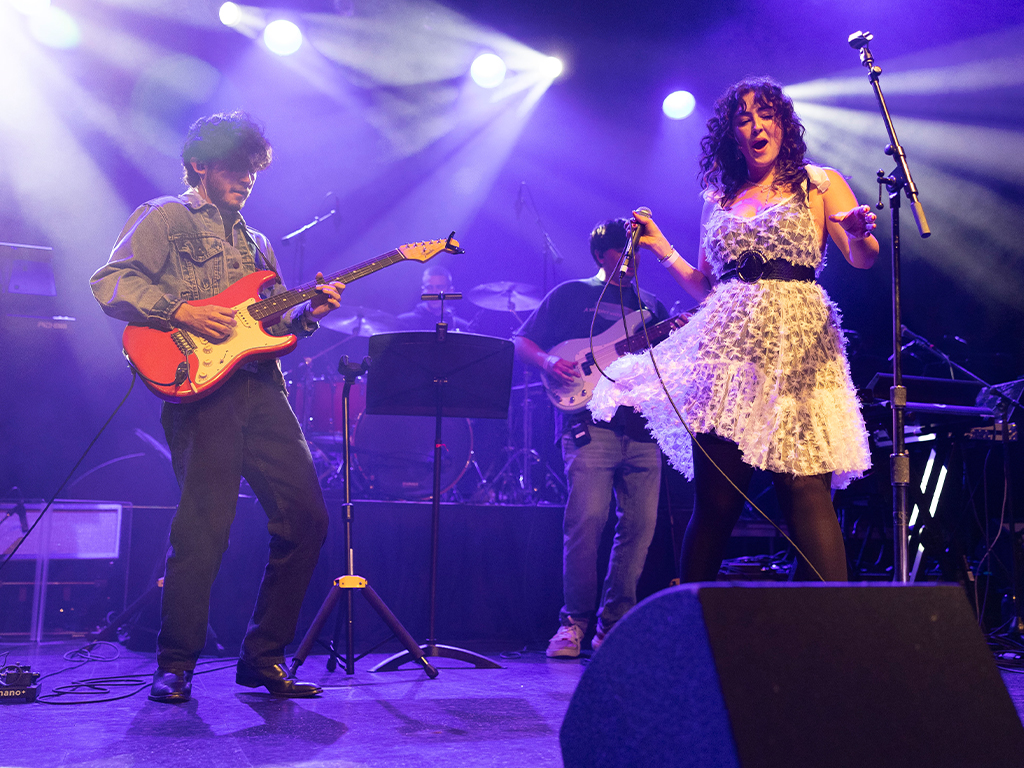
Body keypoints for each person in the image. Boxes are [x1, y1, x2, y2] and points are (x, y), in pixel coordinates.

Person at [91, 112, 347, 703]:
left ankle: (263, 658)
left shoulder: (256, 241)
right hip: (199, 388)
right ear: (201, 164)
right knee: (205, 525)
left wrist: (310, 314)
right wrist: (180, 311)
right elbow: (110, 282)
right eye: (236, 168)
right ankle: (176, 662)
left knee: (307, 519)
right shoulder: (164, 217)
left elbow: (269, 321)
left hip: (262, 388)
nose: (247, 180)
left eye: (254, 171)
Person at [590, 77, 878, 585]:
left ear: (784, 125)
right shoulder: (719, 197)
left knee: (806, 493)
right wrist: (661, 247)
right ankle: (691, 634)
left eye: (765, 114)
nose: (755, 125)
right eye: (743, 119)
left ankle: (835, 635)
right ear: (734, 135)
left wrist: (859, 236)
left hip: (799, 352)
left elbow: (862, 258)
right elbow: (707, 287)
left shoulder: (819, 183)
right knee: (718, 501)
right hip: (726, 358)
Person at [515, 218, 669, 658]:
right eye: (623, 251)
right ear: (602, 255)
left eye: (637, 253)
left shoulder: (652, 306)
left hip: (641, 427)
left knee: (639, 528)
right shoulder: (571, 295)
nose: (632, 259)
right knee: (586, 523)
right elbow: (521, 341)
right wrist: (548, 363)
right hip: (589, 426)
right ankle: (573, 624)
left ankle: (614, 627)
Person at [396, 264, 470, 331]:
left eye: (440, 287)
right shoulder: (403, 323)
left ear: (450, 291)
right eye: (429, 287)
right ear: (423, 291)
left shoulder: (462, 326)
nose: (434, 292)